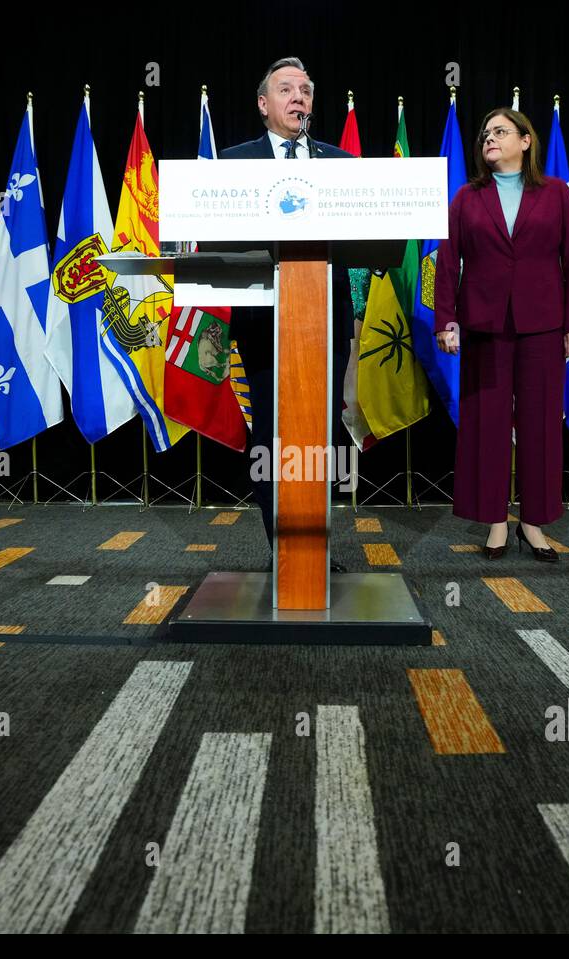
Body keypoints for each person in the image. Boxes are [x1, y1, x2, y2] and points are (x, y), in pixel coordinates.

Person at [434, 107, 569, 561]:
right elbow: (447, 264)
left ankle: (534, 524)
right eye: (485, 133)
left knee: (541, 424)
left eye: (500, 131)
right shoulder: (466, 196)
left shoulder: (557, 194)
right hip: (484, 326)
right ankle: (496, 523)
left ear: (526, 141)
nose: (489, 138)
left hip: (543, 325)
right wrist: (447, 320)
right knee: (488, 423)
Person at [220, 56, 354, 573]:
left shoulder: (339, 165)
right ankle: (283, 548)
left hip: (326, 315)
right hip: (262, 317)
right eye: (285, 90)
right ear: (263, 104)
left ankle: (313, 545)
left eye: (305, 90)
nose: (298, 98)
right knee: (270, 434)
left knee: (318, 433)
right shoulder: (234, 164)